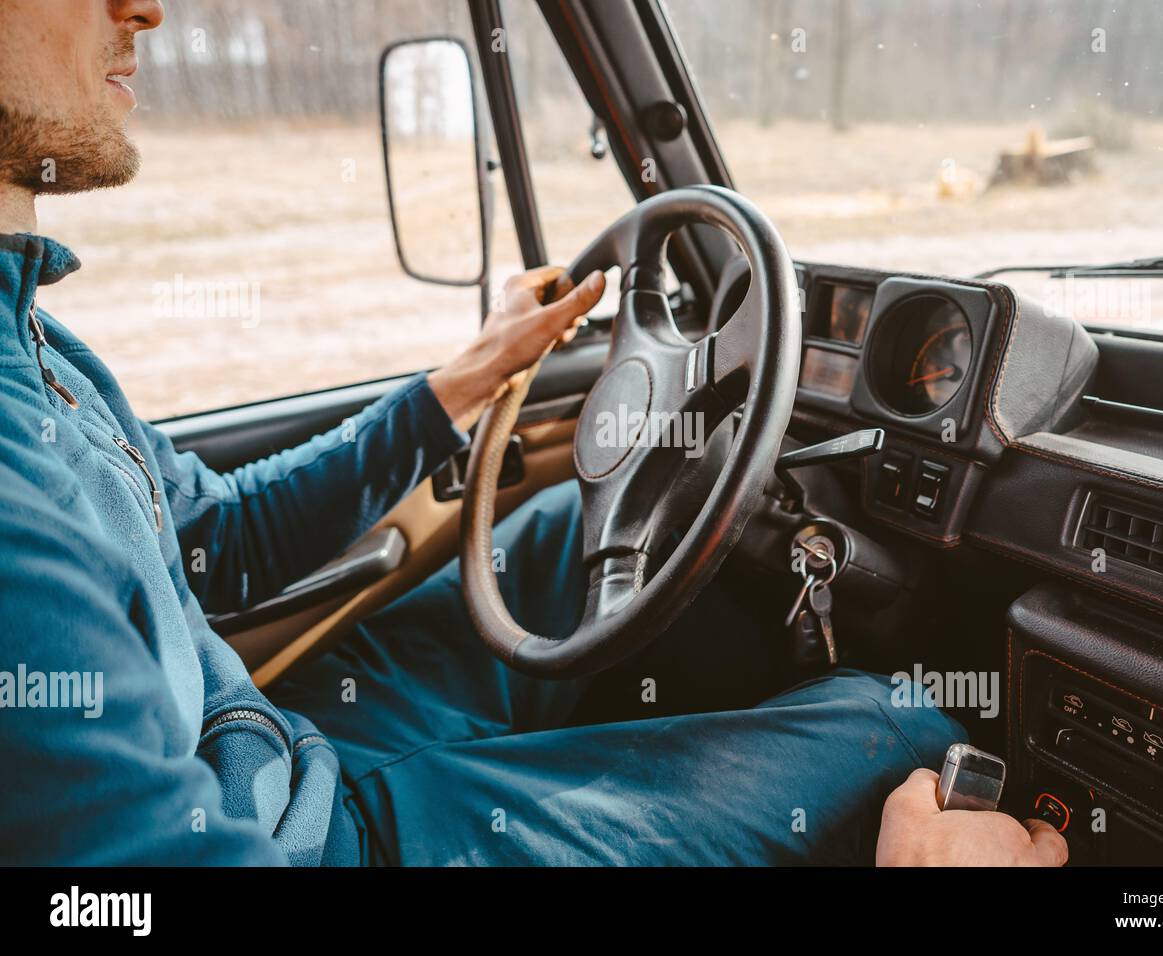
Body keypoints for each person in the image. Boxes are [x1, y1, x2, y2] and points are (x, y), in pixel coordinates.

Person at [0, 0, 1066, 867]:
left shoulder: (37, 341)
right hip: (306, 838)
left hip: (270, 745)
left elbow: (215, 541)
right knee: (894, 724)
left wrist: (465, 377)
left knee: (563, 522)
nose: (143, 8)